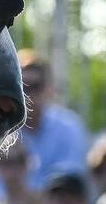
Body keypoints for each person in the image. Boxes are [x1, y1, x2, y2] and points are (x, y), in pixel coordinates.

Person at [15, 52, 90, 190]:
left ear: (48, 88)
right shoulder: (3, 131)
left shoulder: (69, 126)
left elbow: (72, 174)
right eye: (23, 86)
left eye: (35, 86)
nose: (28, 94)